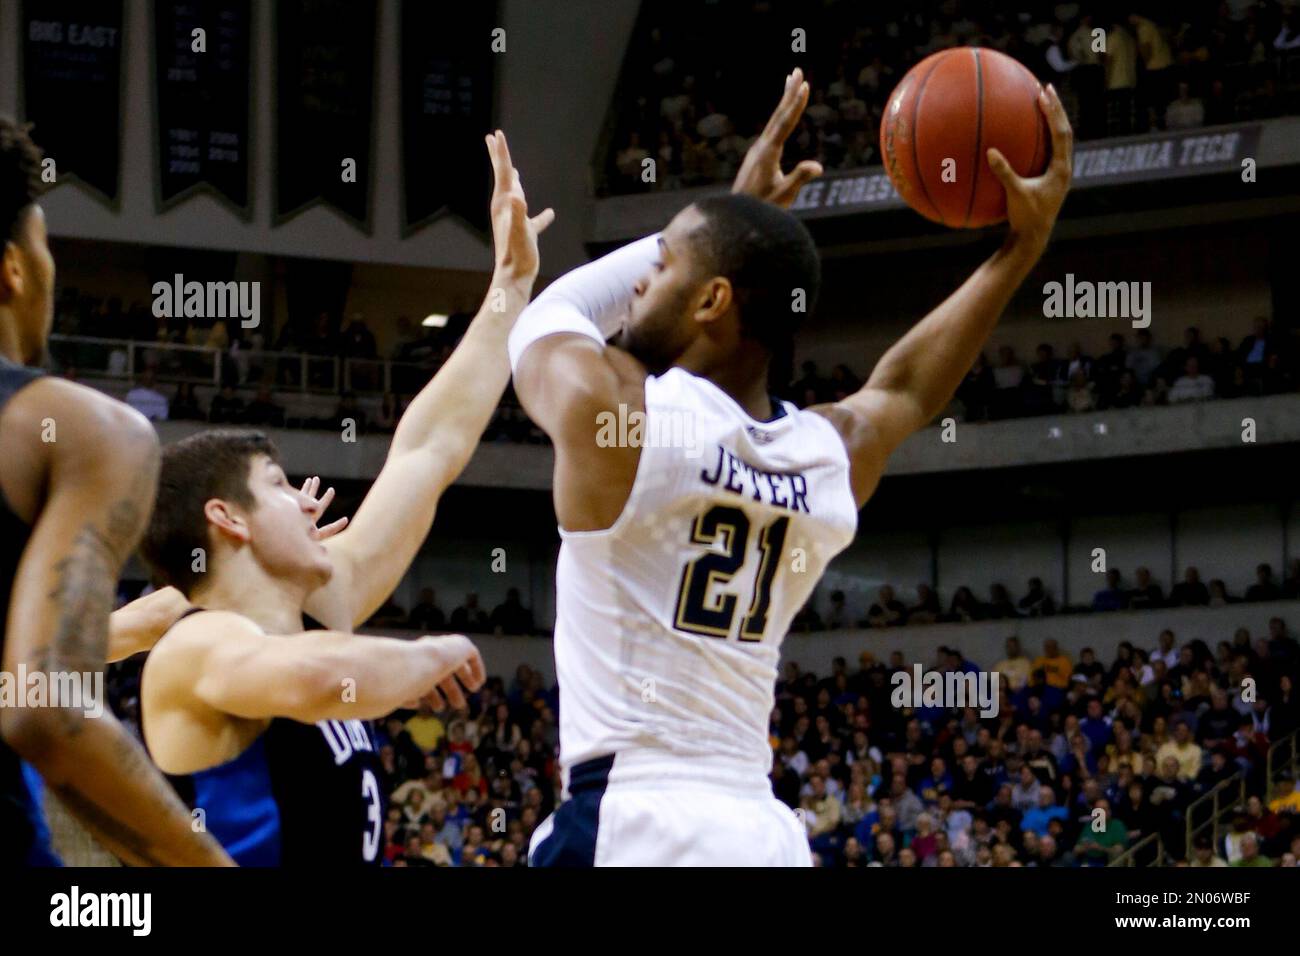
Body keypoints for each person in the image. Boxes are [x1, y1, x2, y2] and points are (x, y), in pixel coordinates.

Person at [510, 71, 1073, 865]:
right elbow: (907, 390)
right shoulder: (824, 456)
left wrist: (744, 217)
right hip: (762, 829)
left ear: (712, 302)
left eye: (660, 264)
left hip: (633, 820)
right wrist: (1022, 250)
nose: (640, 280)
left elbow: (545, 315)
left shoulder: (621, 418)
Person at [116, 132, 548, 866]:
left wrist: (508, 288)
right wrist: (425, 655)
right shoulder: (197, 645)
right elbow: (318, 679)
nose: (309, 502)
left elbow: (429, 450)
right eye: (279, 487)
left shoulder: (319, 610)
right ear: (226, 519)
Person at [0, 117, 230, 866]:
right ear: (13, 267)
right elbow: (44, 710)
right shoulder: (81, 429)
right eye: (47, 248)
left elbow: (86, 639)